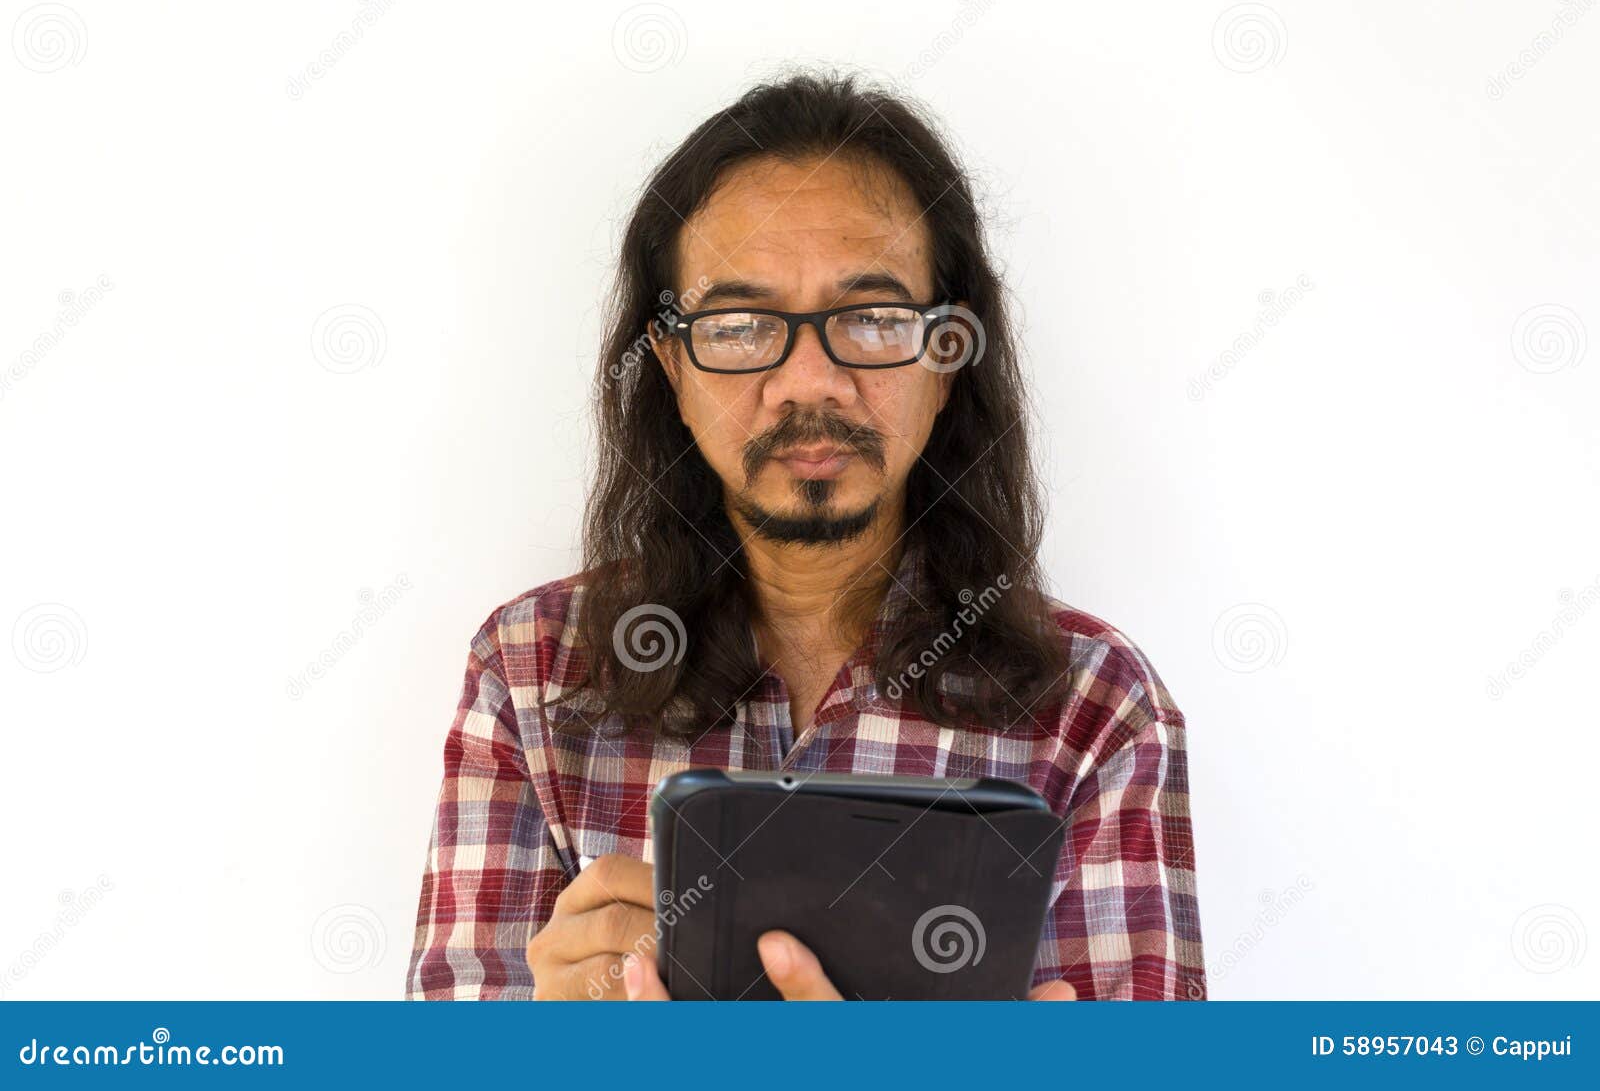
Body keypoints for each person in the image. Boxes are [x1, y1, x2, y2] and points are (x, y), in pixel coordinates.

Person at [405, 69, 1205, 1001]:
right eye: (741, 325)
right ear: (671, 365)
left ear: (947, 359)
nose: (809, 381)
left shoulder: (1097, 709)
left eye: (871, 318)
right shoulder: (533, 673)